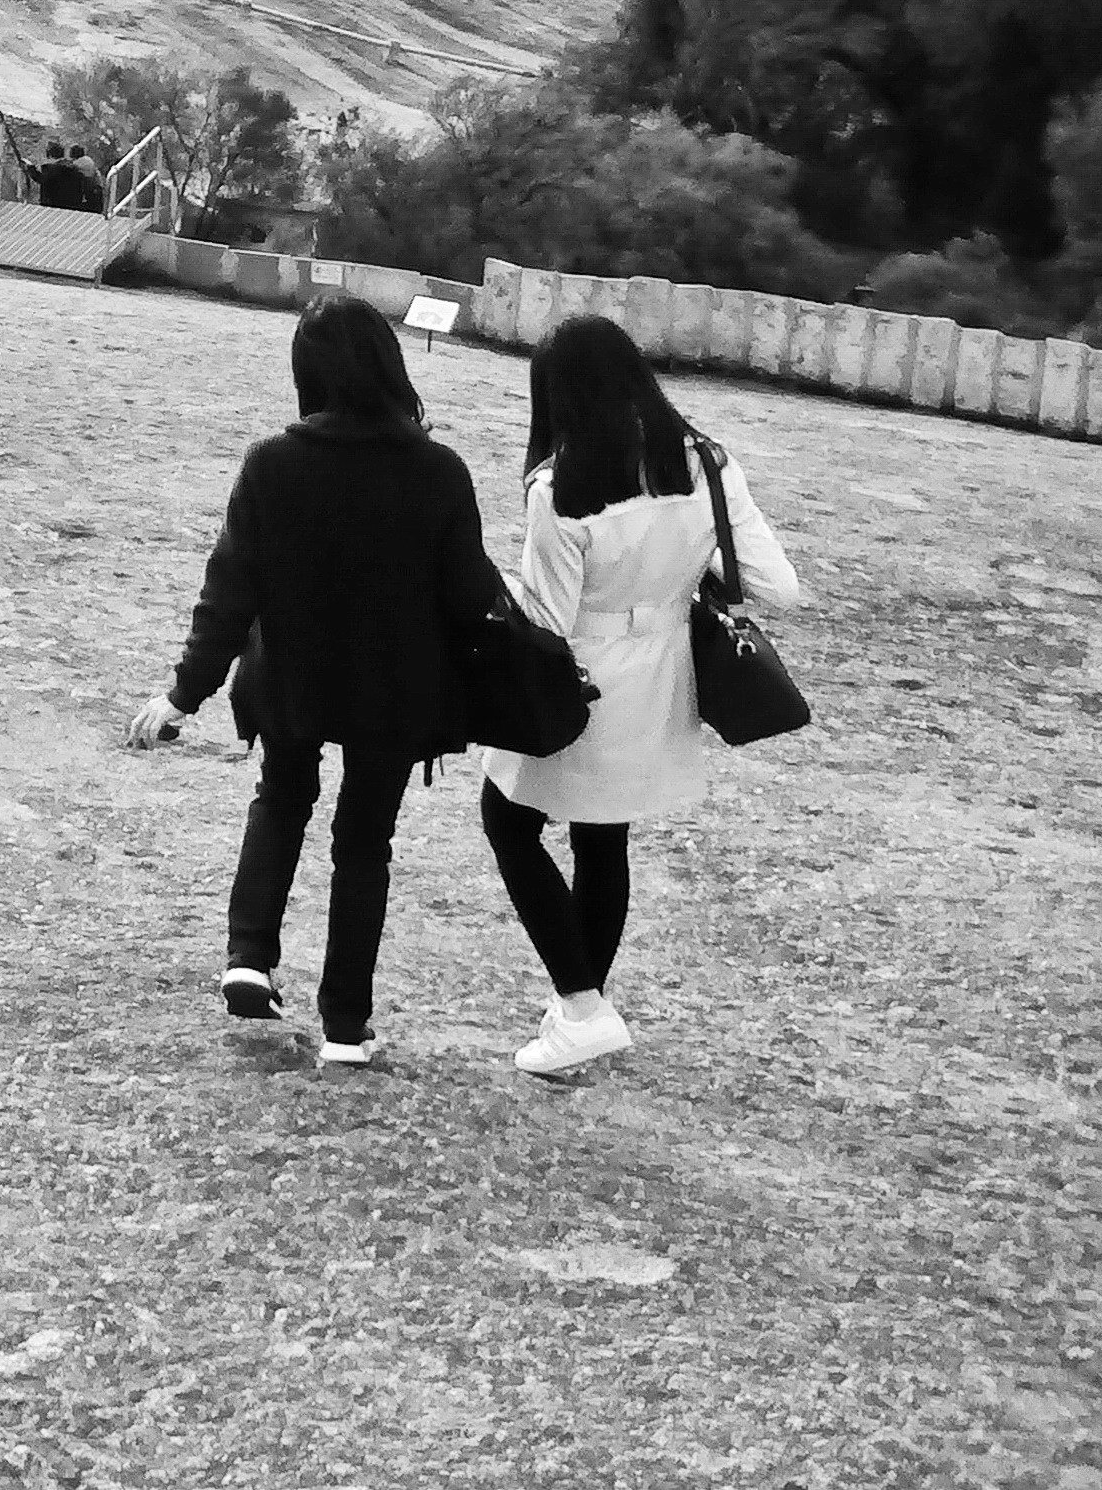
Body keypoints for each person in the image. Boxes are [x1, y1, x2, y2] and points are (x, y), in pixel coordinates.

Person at [123, 297, 500, 1066]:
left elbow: (229, 594)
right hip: (393, 689)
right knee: (364, 844)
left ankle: (249, 955)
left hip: (291, 677)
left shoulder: (271, 463)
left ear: (307, 374)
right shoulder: (439, 472)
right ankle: (345, 1028)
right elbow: (471, 599)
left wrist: (183, 693)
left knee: (282, 797)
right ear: (390, 366)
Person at [480, 314, 806, 1081]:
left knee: (509, 821)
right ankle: (579, 1009)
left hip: (584, 674)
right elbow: (779, 587)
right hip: (662, 668)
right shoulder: (708, 463)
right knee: (604, 839)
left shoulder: (560, 488)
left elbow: (548, 620)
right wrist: (685, 571)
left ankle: (581, 1007)